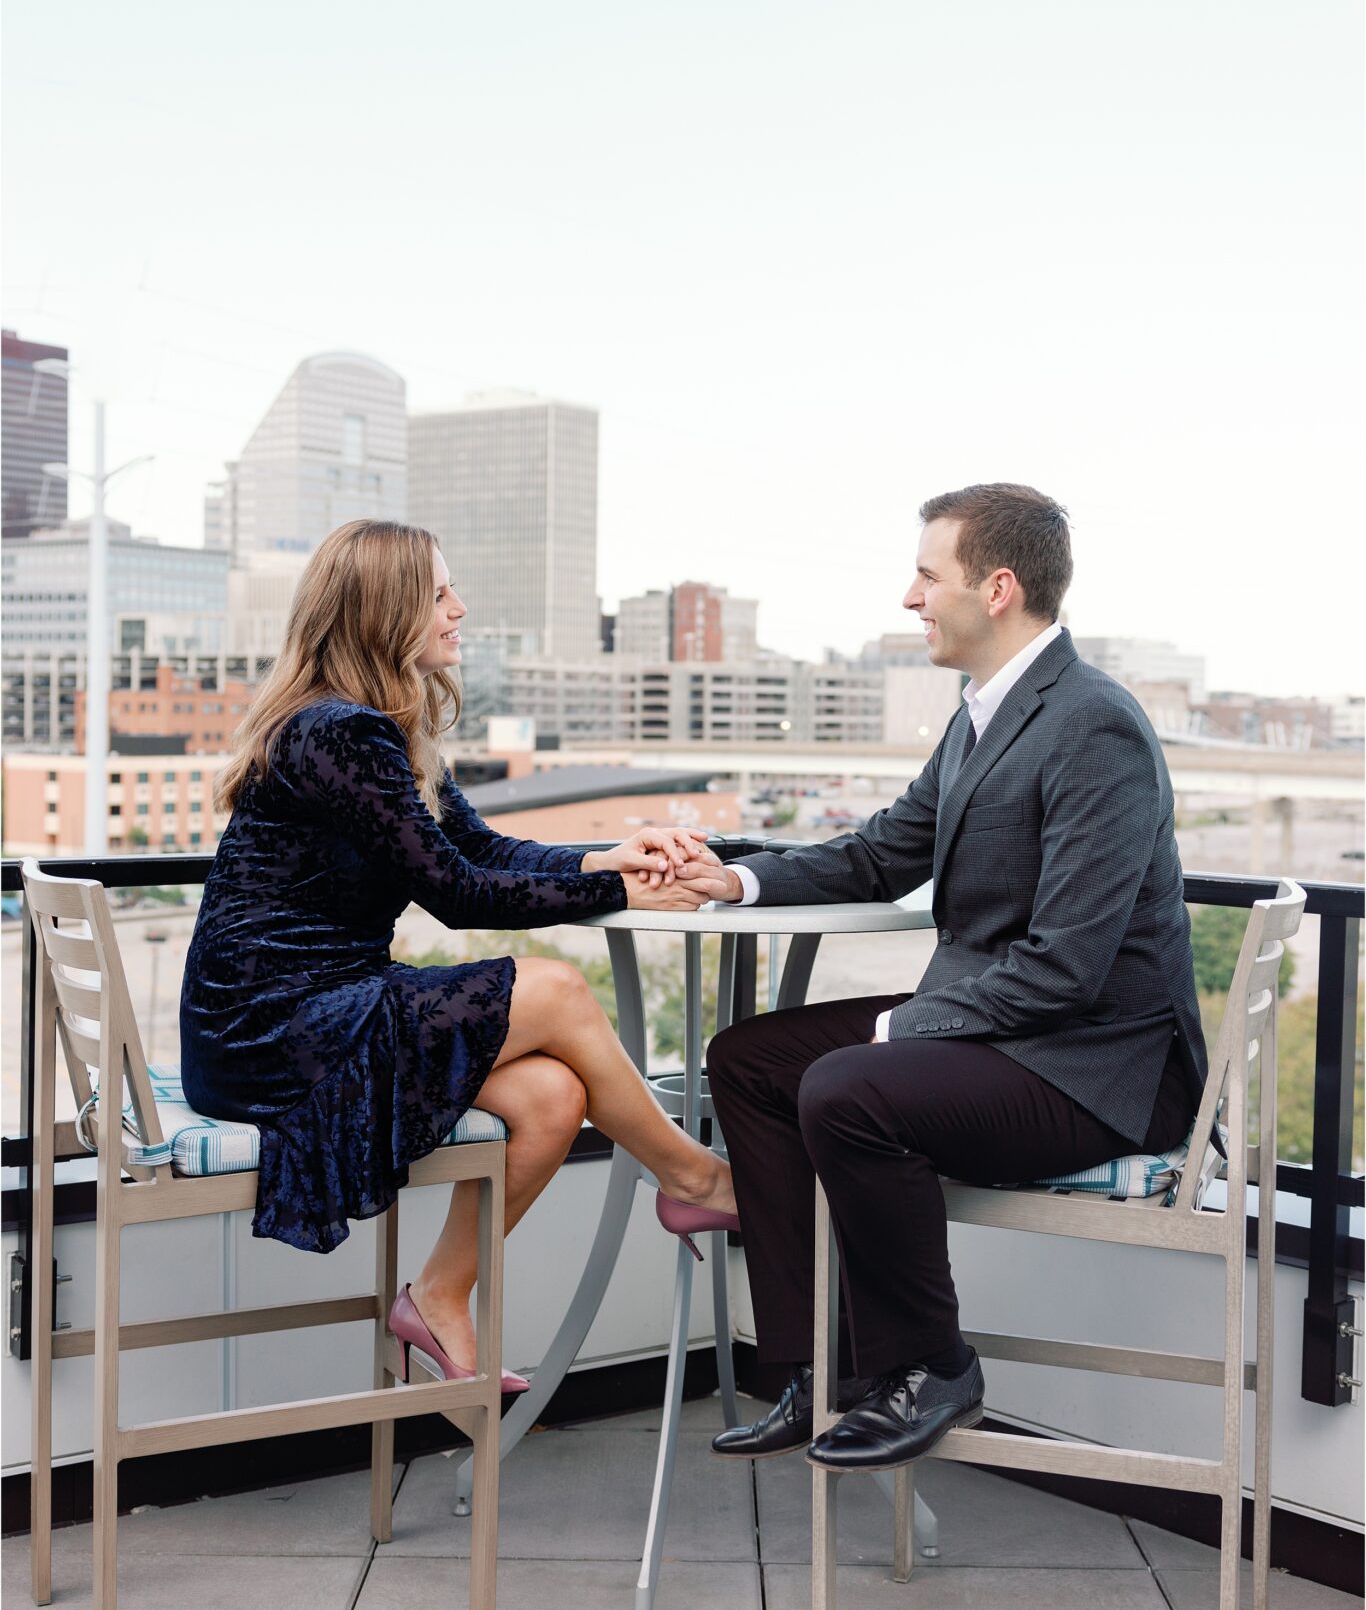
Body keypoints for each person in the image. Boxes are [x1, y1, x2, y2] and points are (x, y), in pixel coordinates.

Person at [673, 483, 1207, 1472]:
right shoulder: (981, 716)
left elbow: (1069, 965)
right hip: (1009, 1033)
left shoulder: (1093, 724)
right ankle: (814, 1367)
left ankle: (931, 1363)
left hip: (1096, 1068)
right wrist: (735, 871)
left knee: (845, 1082)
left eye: (928, 573)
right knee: (745, 1061)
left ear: (996, 587)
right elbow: (880, 855)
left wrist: (900, 1030)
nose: (910, 596)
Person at [180, 519, 736, 1387]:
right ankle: (697, 1181)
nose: (459, 608)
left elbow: (481, 849)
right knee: (554, 991)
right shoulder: (338, 734)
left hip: (316, 1010)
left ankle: (439, 1295)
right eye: (441, 593)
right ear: (385, 608)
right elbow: (457, 893)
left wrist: (610, 859)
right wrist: (628, 894)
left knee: (553, 1097)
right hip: (273, 1033)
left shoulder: (376, 727)